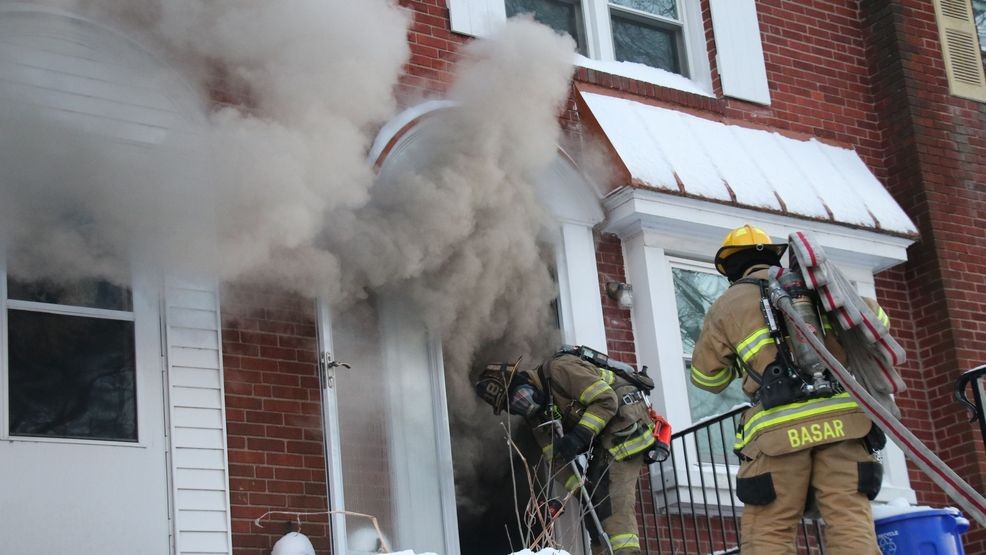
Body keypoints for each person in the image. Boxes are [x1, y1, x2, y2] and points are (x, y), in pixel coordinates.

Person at [690, 224, 885, 554]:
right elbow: (877, 321)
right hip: (844, 424)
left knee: (770, 529)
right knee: (850, 521)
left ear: (731, 266)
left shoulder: (726, 305)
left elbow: (708, 378)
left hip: (778, 432)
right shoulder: (814, 285)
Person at [474, 348, 657, 555]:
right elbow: (556, 460)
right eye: (516, 406)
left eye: (521, 397)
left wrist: (579, 436)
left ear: (525, 380)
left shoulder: (560, 369)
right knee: (593, 506)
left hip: (626, 423)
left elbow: (606, 400)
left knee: (611, 499)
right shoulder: (537, 418)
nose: (525, 405)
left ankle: (627, 553)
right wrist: (580, 489)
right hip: (605, 437)